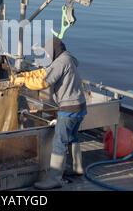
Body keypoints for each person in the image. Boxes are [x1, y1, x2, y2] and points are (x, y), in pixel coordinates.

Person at [11, 37, 87, 189]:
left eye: (47, 53)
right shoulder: (67, 58)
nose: (46, 56)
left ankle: (54, 178)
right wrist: (26, 75)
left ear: (54, 51)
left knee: (59, 142)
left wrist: (23, 82)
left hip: (69, 108)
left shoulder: (60, 62)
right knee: (72, 137)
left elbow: (43, 82)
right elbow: (44, 72)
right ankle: (77, 167)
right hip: (80, 106)